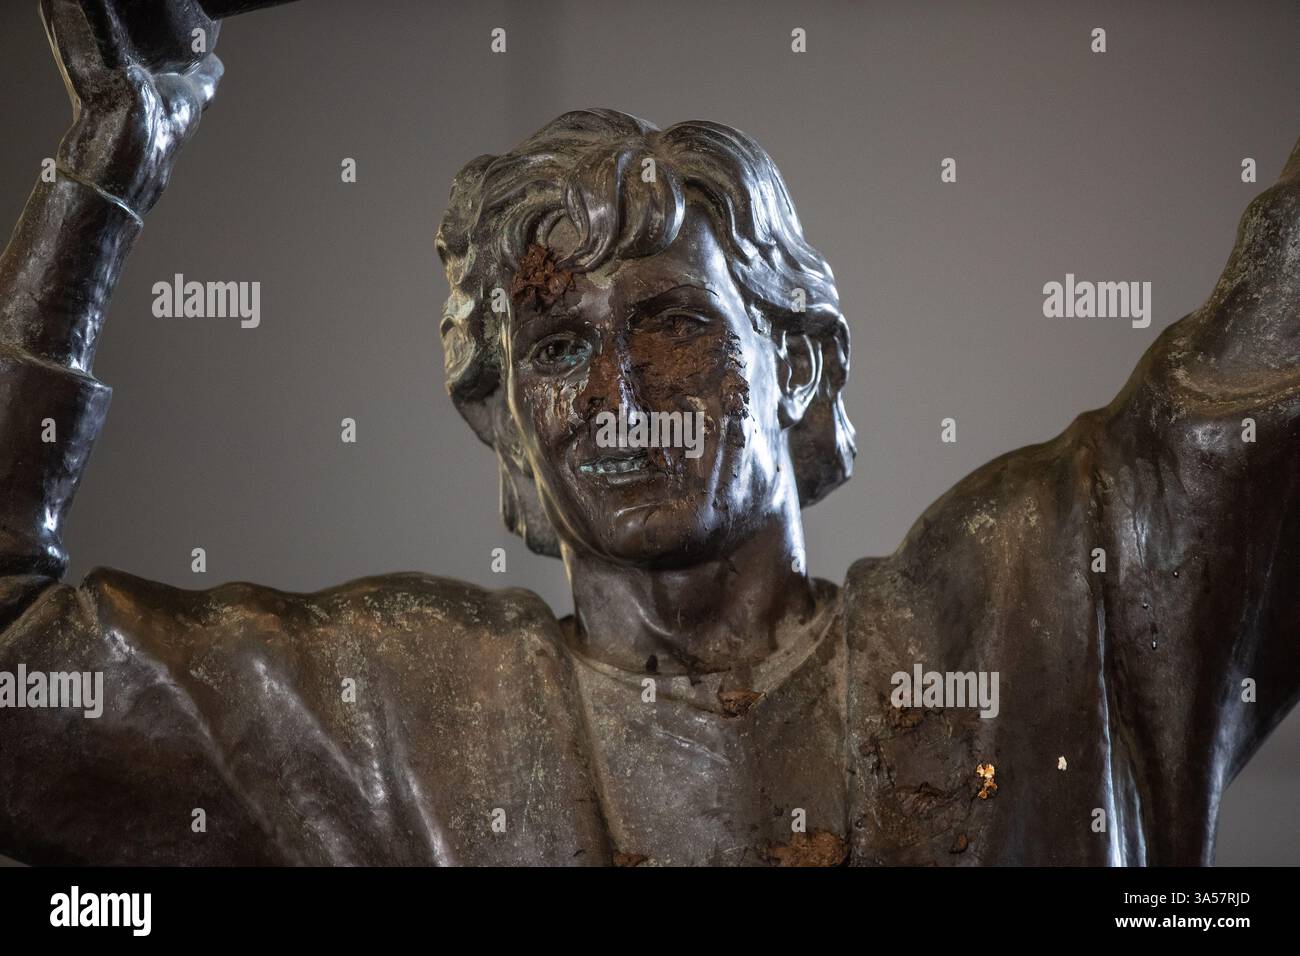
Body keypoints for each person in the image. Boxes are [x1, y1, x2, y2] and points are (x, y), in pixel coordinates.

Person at [1, 0, 1296, 866]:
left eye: (672, 322)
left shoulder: (1039, 607)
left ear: (795, 359)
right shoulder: (384, 715)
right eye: (559, 349)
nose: (616, 397)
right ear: (505, 416)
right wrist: (109, 161)